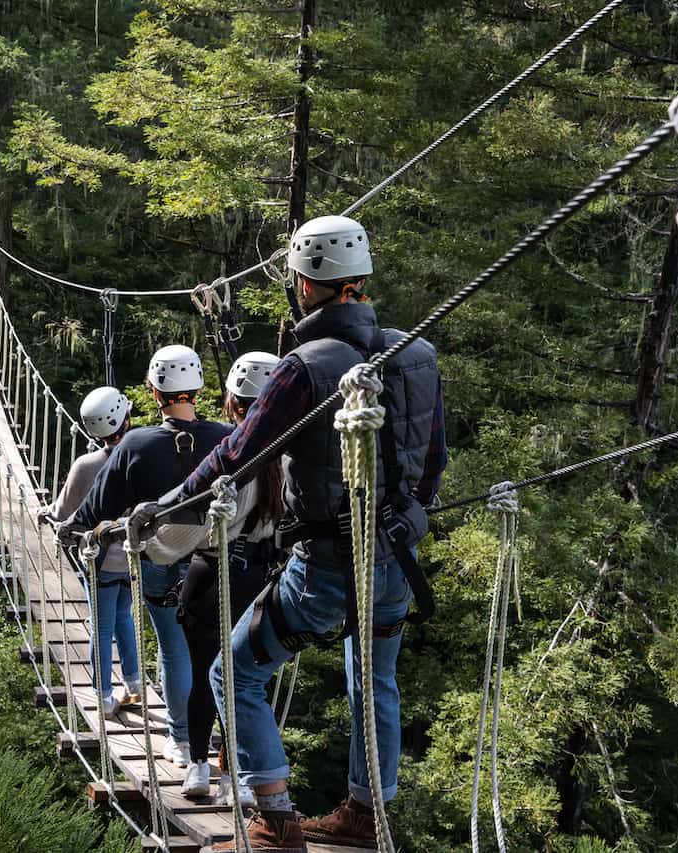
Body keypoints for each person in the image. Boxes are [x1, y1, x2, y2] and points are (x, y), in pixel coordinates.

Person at [135, 215, 448, 852]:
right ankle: (366, 811)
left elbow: (237, 456)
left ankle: (275, 819)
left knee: (233, 673)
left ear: (304, 286)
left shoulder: (304, 368)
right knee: (375, 679)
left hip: (328, 566)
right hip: (397, 560)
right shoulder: (416, 355)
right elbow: (434, 460)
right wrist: (413, 514)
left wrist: (166, 506)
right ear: (361, 277)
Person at [72, 345, 232, 768]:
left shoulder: (137, 443)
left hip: (161, 561)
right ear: (199, 387)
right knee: (216, 652)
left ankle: (181, 740)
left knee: (174, 649)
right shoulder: (225, 439)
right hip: (215, 559)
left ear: (153, 390)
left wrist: (72, 529)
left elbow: (95, 509)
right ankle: (225, 749)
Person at [143, 352, 284, 806]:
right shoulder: (289, 458)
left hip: (213, 575)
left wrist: (146, 542)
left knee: (206, 672)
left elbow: (192, 532)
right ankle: (239, 776)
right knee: (244, 680)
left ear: (232, 404)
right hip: (263, 582)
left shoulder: (230, 460)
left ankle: (199, 767)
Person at [46, 386, 141, 715]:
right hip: (135, 556)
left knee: (101, 627)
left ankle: (103, 696)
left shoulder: (85, 465)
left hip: (99, 560)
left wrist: (48, 512)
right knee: (123, 615)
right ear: (125, 420)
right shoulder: (142, 456)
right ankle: (134, 684)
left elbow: (63, 513)